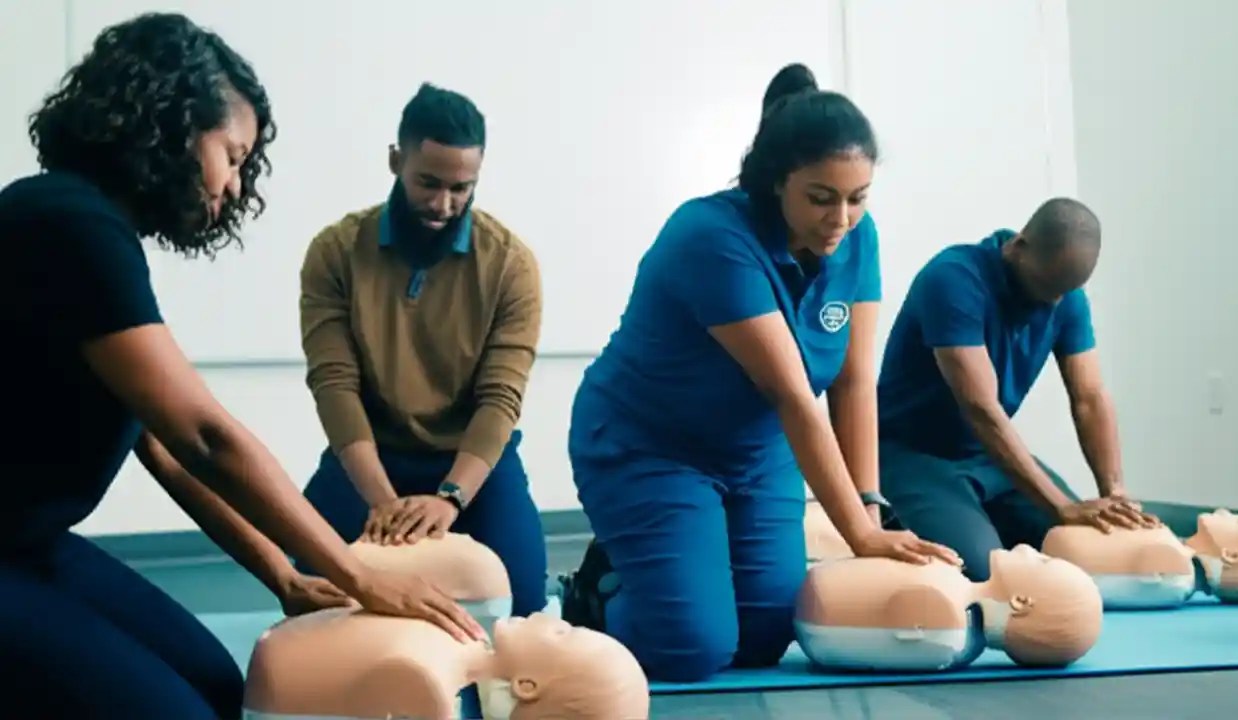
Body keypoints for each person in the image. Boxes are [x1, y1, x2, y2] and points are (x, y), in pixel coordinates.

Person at [0, 13, 482, 719]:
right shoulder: (67, 224)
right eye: (231, 154)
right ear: (171, 125)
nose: (234, 185)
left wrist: (283, 577)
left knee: (220, 687)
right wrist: (359, 577)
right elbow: (205, 437)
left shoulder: (91, 229)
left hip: (30, 542)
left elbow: (162, 448)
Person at [557, 63, 959, 683]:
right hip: (650, 447)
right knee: (691, 647)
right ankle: (596, 594)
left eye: (858, 197)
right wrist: (855, 533)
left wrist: (871, 511)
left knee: (766, 636)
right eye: (821, 198)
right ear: (776, 183)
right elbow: (794, 393)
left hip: (758, 451)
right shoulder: (710, 236)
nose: (841, 219)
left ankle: (669, 570)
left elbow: (853, 382)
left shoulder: (858, 238)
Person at [296, 82, 547, 621]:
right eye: (427, 183)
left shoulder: (511, 266)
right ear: (395, 160)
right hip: (371, 453)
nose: (442, 204)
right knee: (309, 588)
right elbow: (334, 386)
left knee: (522, 603)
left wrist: (450, 498)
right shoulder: (335, 252)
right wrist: (384, 504)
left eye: (462, 188)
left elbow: (500, 399)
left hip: (469, 461)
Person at [875, 197, 1161, 581]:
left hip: (988, 458)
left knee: (1086, 551)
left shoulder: (1064, 292)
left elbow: (1090, 397)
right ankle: (896, 519)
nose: (1052, 302)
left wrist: (1114, 493)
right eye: (1046, 287)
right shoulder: (954, 279)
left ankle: (985, 522)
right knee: (982, 572)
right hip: (912, 455)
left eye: (1063, 293)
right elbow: (981, 408)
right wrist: (1059, 505)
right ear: (1019, 246)